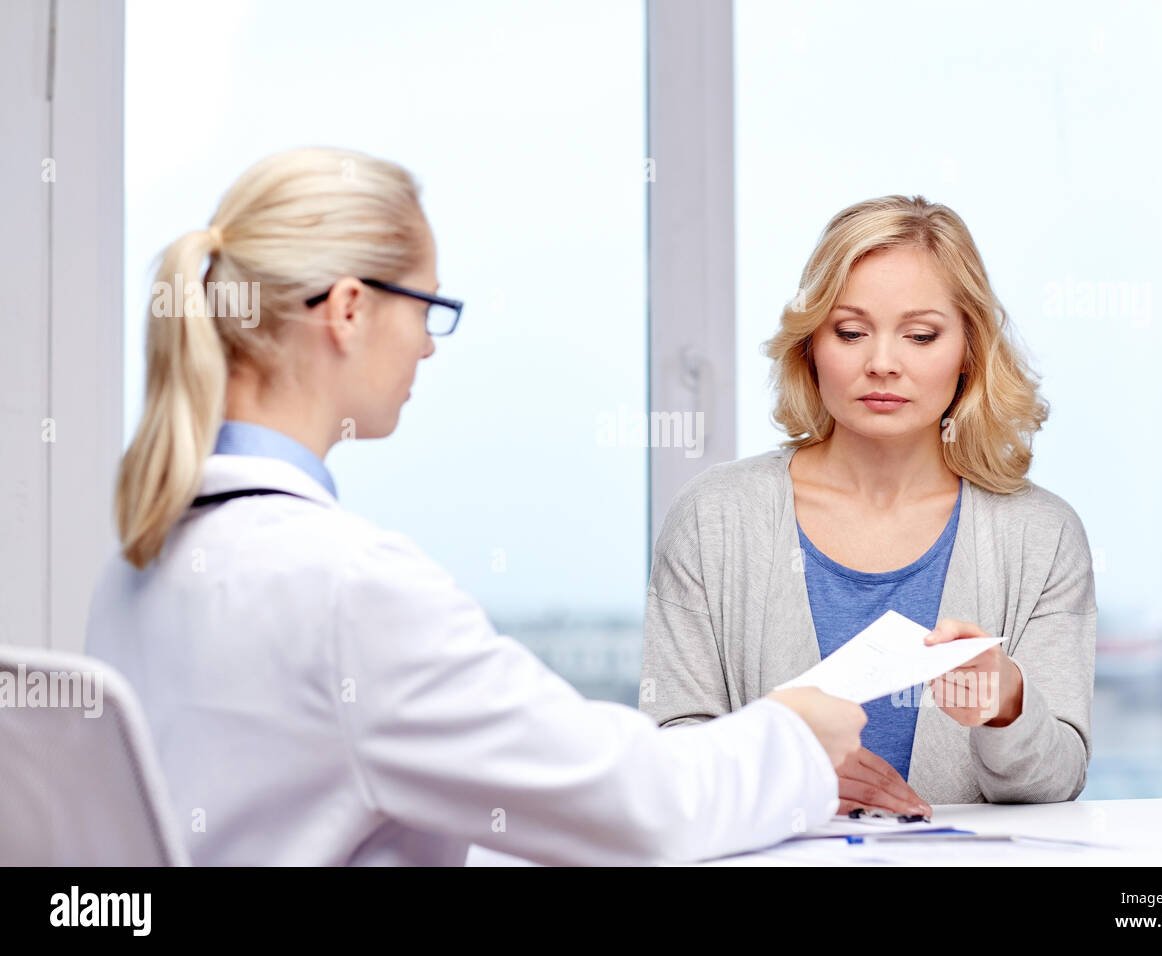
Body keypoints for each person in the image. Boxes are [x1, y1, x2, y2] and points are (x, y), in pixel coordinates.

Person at [84, 147, 866, 866]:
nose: (428, 345)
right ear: (349, 309)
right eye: (426, 307)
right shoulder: (349, 588)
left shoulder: (137, 566)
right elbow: (639, 806)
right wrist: (795, 733)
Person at [640, 196, 1097, 812]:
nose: (882, 364)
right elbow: (671, 756)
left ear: (968, 351)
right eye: (850, 332)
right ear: (810, 347)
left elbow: (1055, 783)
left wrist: (1008, 703)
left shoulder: (1042, 536)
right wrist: (786, 775)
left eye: (920, 335)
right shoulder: (713, 519)